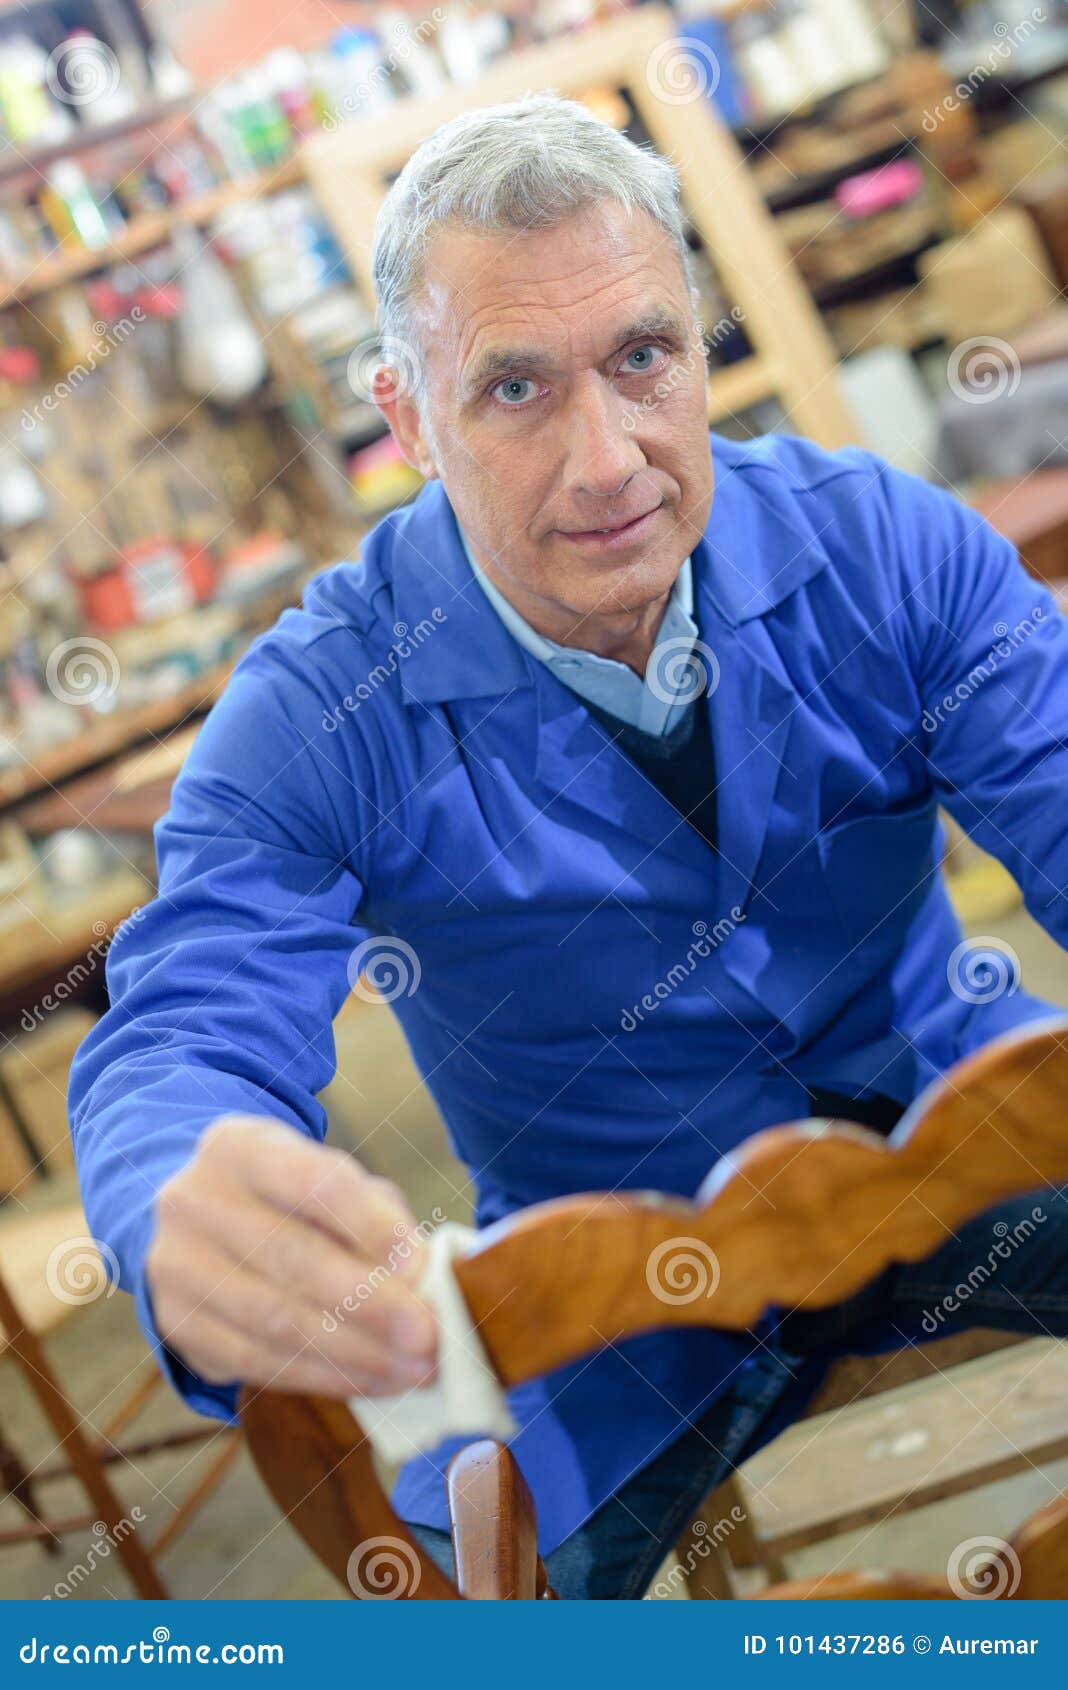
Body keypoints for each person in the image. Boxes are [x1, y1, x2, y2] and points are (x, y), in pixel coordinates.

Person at [69, 94, 1068, 1598]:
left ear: (700, 348)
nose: (609, 461)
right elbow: (182, 1029)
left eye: (643, 357)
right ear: (408, 418)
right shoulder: (323, 704)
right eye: (517, 388)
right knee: (471, 1622)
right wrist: (177, 1192)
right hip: (619, 1292)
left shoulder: (884, 548)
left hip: (971, 1140)